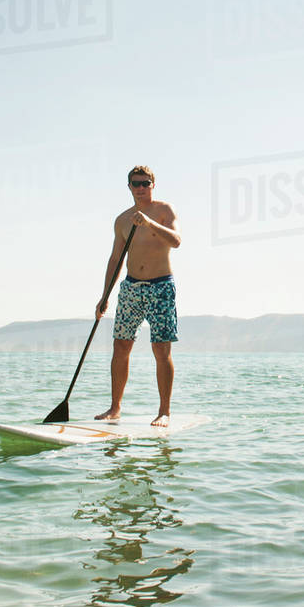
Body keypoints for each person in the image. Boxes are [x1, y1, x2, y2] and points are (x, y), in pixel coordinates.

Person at [94, 166, 181, 427]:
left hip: (161, 286)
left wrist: (150, 223)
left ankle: (164, 411)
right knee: (121, 346)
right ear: (129, 187)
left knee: (161, 349)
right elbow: (115, 259)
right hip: (131, 287)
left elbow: (176, 241)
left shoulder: (165, 210)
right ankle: (114, 408)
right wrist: (104, 295)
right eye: (136, 183)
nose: (140, 187)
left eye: (145, 183)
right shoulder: (122, 220)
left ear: (153, 184)